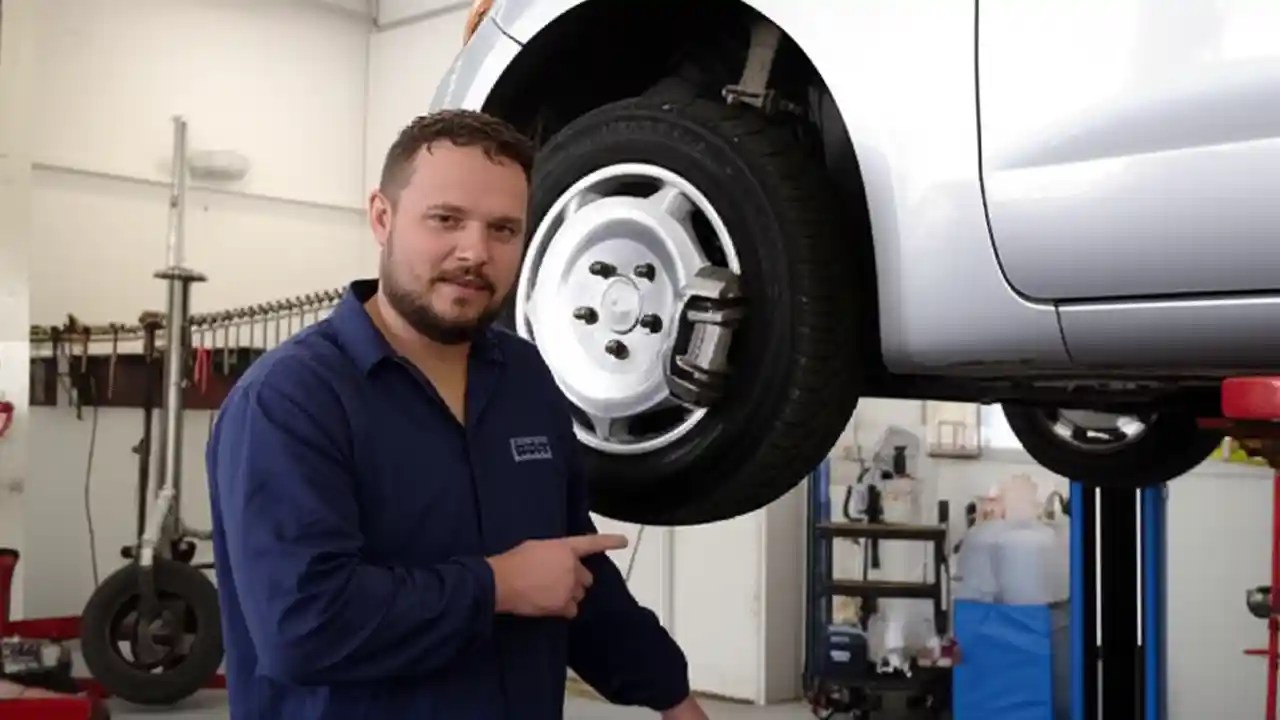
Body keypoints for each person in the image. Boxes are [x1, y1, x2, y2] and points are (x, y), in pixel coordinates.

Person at [205, 110, 709, 720]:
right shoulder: (291, 400)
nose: (475, 252)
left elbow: (568, 575)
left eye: (503, 229)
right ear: (382, 218)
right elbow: (304, 625)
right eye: (446, 220)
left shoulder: (524, 381)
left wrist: (672, 696)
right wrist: (498, 585)